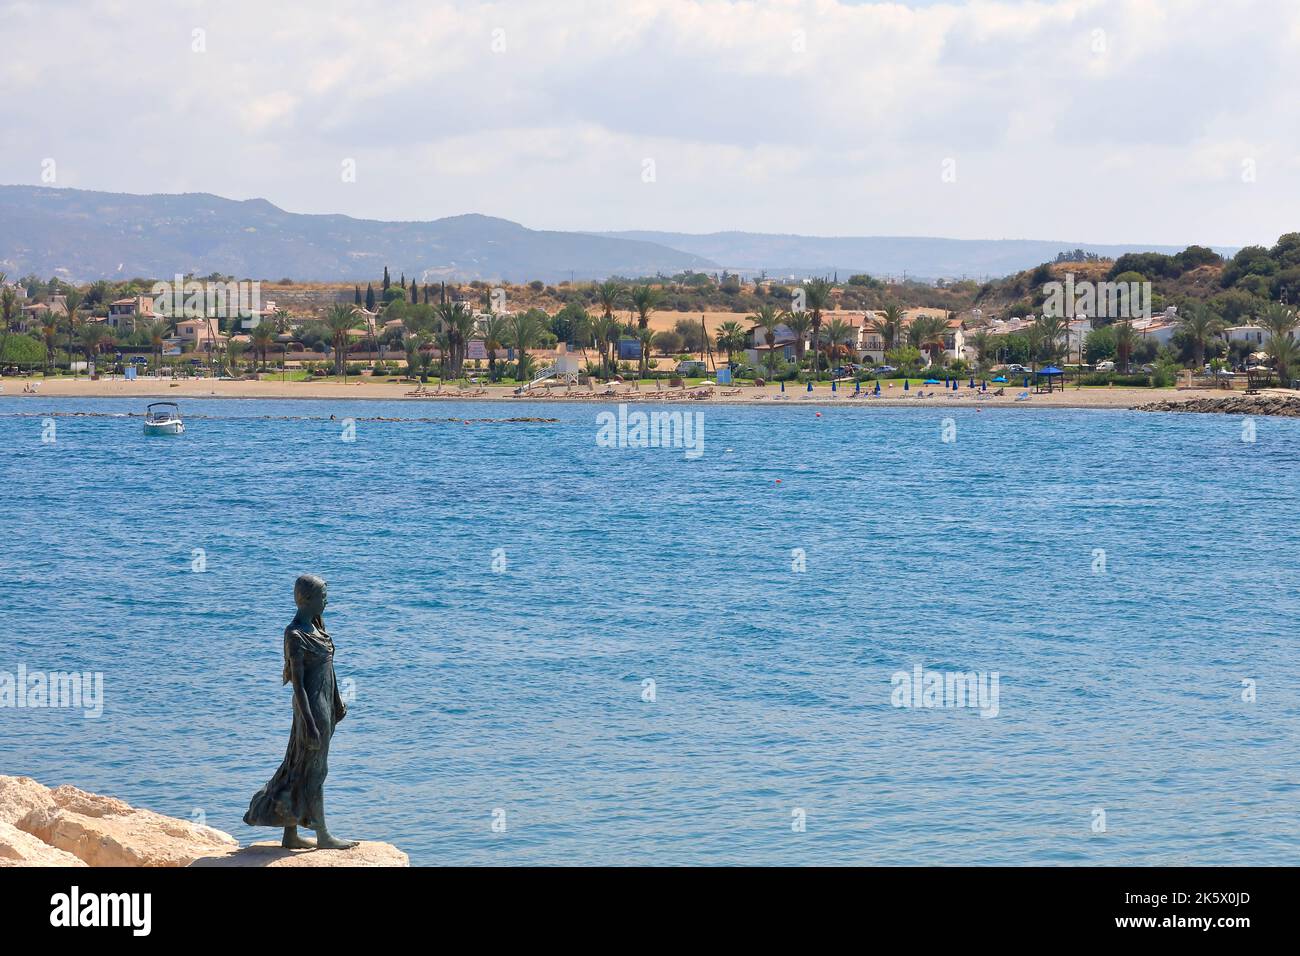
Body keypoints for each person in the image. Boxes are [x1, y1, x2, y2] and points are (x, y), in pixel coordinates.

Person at [244, 574, 358, 850]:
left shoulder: (318, 629)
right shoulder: (295, 634)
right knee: (315, 770)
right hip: (311, 709)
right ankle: (323, 835)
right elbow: (298, 685)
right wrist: (308, 722)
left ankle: (290, 834)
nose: (327, 600)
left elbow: (328, 669)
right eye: (322, 596)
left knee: (301, 767)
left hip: (326, 706)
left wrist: (338, 700)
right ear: (306, 599)